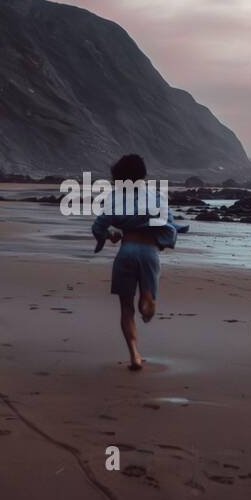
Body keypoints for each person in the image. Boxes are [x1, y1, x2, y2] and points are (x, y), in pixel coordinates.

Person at [90, 154, 181, 370]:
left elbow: (98, 226)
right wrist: (164, 240)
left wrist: (108, 235)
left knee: (125, 308)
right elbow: (168, 223)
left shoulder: (114, 198)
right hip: (149, 252)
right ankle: (148, 299)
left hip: (127, 251)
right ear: (143, 174)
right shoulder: (156, 196)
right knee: (147, 306)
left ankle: (134, 355)